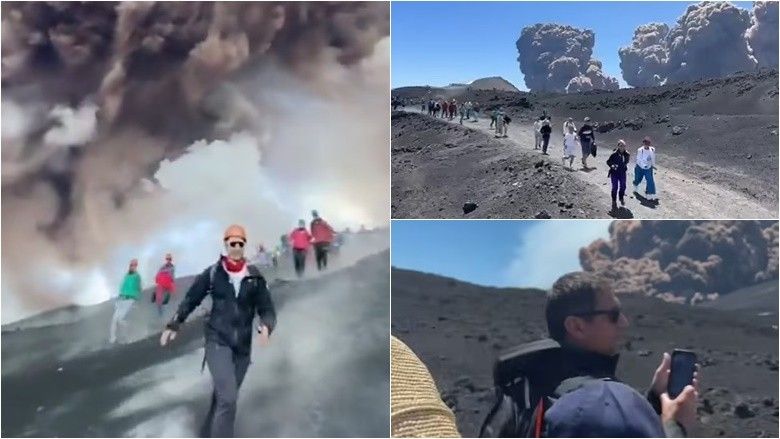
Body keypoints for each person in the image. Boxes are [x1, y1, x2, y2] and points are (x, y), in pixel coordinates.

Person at [481, 272, 700, 438]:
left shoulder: (532, 394)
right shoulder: (603, 399)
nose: (624, 322)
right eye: (613, 315)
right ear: (577, 327)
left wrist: (652, 402)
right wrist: (675, 425)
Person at [160, 224, 276, 438]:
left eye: (240, 243)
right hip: (218, 342)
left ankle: (205, 434)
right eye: (232, 243)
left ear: (244, 245)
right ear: (226, 244)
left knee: (222, 399)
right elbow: (192, 298)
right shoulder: (213, 273)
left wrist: (266, 326)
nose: (236, 247)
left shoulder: (254, 277)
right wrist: (175, 324)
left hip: (242, 349)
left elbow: (267, 308)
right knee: (228, 399)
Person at [109, 259, 142, 344]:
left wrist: (136, 300)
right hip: (122, 299)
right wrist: (119, 296)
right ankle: (113, 339)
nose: (132, 267)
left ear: (136, 266)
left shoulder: (137, 276)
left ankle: (129, 335)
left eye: (134, 265)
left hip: (129, 300)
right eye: (131, 265)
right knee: (114, 319)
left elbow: (139, 288)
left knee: (120, 319)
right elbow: (122, 287)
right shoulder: (126, 276)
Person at [607, 140, 631, 210]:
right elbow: (608, 162)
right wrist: (613, 166)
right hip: (614, 173)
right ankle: (614, 200)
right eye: (621, 146)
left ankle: (621, 197)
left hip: (622, 173)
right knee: (615, 187)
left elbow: (626, 162)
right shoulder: (614, 154)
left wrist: (624, 167)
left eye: (624, 146)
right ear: (618, 146)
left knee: (623, 186)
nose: (622, 147)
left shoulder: (627, 154)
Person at [634, 136, 658, 201]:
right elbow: (638, 159)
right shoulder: (640, 150)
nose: (647, 145)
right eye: (646, 143)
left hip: (648, 168)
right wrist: (643, 165)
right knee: (638, 179)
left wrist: (653, 165)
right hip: (640, 167)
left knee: (650, 180)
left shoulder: (652, 149)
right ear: (643, 143)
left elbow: (653, 158)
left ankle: (649, 194)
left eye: (648, 143)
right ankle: (635, 185)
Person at [154, 253, 176, 318]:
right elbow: (158, 274)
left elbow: (172, 275)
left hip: (168, 284)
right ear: (166, 259)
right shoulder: (162, 267)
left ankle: (164, 306)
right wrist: (157, 280)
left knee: (168, 295)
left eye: (169, 259)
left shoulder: (172, 267)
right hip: (162, 283)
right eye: (167, 259)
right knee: (159, 298)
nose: (168, 260)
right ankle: (160, 312)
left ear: (171, 259)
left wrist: (172, 281)